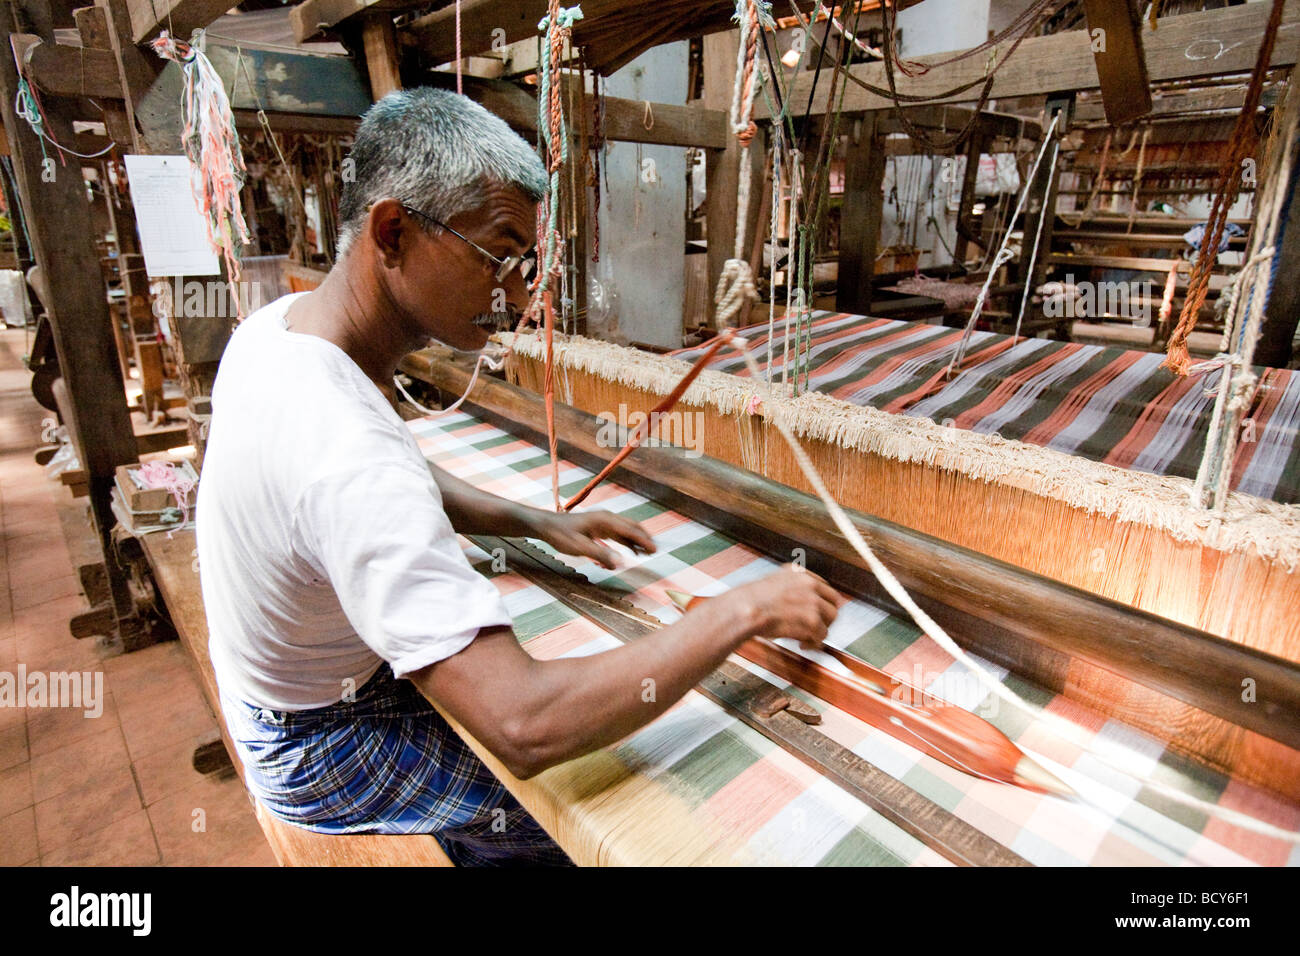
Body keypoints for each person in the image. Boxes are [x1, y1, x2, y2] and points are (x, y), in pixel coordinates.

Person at [195, 88, 843, 866]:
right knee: (570, 809)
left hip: (285, 689)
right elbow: (524, 725)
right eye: (498, 254)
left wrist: (534, 521)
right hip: (320, 745)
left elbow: (395, 474)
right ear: (393, 231)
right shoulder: (346, 451)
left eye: (521, 263)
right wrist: (736, 613)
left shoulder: (278, 331)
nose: (511, 293)